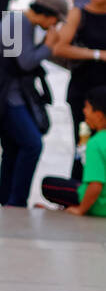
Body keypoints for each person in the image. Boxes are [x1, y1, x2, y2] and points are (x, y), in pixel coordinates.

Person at [0, 0, 101, 208]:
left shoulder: (22, 22)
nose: (55, 26)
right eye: (55, 20)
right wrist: (49, 46)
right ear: (46, 14)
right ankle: (17, 201)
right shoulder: (19, 23)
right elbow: (27, 61)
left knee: (12, 147)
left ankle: (8, 202)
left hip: (8, 91)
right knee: (32, 144)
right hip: (6, 94)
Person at [52, 0, 106, 181]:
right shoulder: (79, 14)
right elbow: (59, 48)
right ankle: (79, 192)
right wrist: (96, 54)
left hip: (105, 93)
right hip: (83, 91)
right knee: (83, 144)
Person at [39, 86, 106, 215]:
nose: (84, 111)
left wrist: (81, 210)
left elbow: (96, 185)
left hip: (99, 206)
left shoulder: (95, 143)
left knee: (48, 184)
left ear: (98, 116)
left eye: (87, 107)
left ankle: (68, 209)